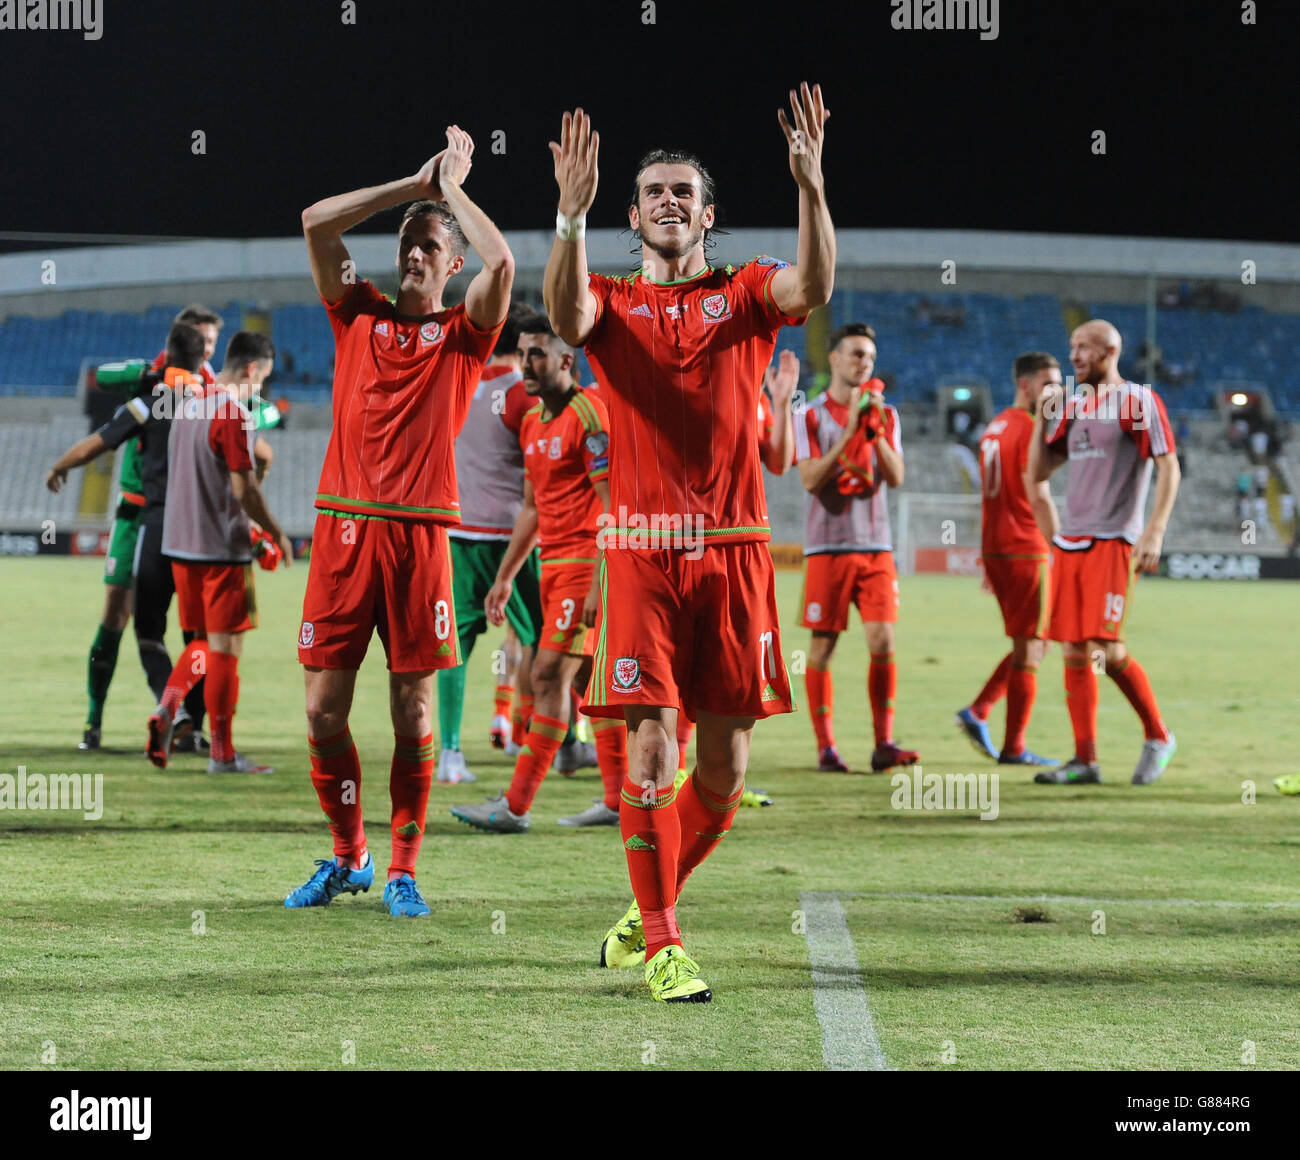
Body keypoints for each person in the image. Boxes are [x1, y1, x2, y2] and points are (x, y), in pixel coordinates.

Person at [544, 82, 834, 1003]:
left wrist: (812, 189)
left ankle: (648, 904)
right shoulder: (608, 295)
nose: (670, 201)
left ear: (708, 214)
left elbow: (815, 287)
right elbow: (562, 319)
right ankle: (667, 942)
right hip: (637, 551)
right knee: (649, 753)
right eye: (654, 192)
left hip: (738, 550)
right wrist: (566, 217)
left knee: (726, 767)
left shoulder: (746, 291)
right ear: (630, 215)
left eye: (685, 192)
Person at [285, 126, 513, 918]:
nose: (414, 254)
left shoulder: (463, 338)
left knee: (413, 709)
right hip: (343, 529)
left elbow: (506, 266)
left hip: (419, 537)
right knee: (322, 710)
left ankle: (404, 870)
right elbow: (317, 221)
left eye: (429, 248)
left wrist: (451, 194)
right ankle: (350, 854)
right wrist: (413, 188)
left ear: (451, 266)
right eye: (408, 244)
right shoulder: (356, 312)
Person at [451, 315, 620, 830]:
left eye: (538, 354)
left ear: (566, 361)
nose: (526, 363)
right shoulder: (531, 422)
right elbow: (531, 509)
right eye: (522, 353)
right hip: (550, 566)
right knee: (592, 683)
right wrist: (505, 576)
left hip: (585, 566)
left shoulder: (590, 414)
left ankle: (515, 806)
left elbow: (614, 504)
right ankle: (619, 801)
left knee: (547, 674)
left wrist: (598, 581)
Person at [1027, 319, 1180, 785]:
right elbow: (1038, 472)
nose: (1073, 356)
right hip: (1071, 541)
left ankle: (1158, 735)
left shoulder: (1137, 401)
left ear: (1110, 350)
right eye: (1071, 346)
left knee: (1106, 648)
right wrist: (1041, 417)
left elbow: (1168, 466)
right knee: (1073, 649)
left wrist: (1154, 530)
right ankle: (1085, 760)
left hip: (1113, 539)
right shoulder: (1073, 405)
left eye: (1083, 348)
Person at [70, 305, 222, 751]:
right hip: (136, 515)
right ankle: (94, 720)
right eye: (201, 339)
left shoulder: (211, 389)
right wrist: (148, 374)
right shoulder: (151, 380)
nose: (206, 348)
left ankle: (188, 722)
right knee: (116, 614)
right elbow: (102, 376)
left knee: (194, 629)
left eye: (212, 341)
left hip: (184, 519)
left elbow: (257, 415)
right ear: (181, 339)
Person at [145, 332, 292, 773]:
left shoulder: (189, 405)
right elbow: (243, 490)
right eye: (262, 379)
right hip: (220, 552)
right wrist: (274, 533)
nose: (261, 389)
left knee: (201, 644)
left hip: (180, 547)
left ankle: (168, 708)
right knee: (227, 650)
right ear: (251, 369)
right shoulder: (234, 413)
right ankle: (223, 755)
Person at [793, 323, 918, 773]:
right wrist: (849, 433)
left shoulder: (887, 415)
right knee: (823, 647)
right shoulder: (808, 414)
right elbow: (809, 479)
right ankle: (826, 747)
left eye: (869, 356)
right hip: (827, 547)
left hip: (876, 547)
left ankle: (883, 743)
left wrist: (875, 431)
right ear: (834, 359)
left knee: (883, 641)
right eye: (855, 354)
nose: (863, 362)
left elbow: (898, 477)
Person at [435, 302, 543, 784]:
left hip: (457, 536)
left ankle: (450, 753)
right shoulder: (525, 396)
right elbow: (539, 487)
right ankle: (541, 740)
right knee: (542, 640)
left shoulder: (457, 386)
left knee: (455, 645)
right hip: (512, 540)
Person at [955, 352, 1062, 766]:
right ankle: (1012, 745)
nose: (1054, 391)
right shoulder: (1030, 429)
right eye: (1048, 383)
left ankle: (980, 711)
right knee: (1035, 644)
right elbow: (1038, 495)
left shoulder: (994, 427)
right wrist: (1062, 548)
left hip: (997, 547)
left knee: (1032, 641)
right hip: (1025, 545)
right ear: (1025, 385)